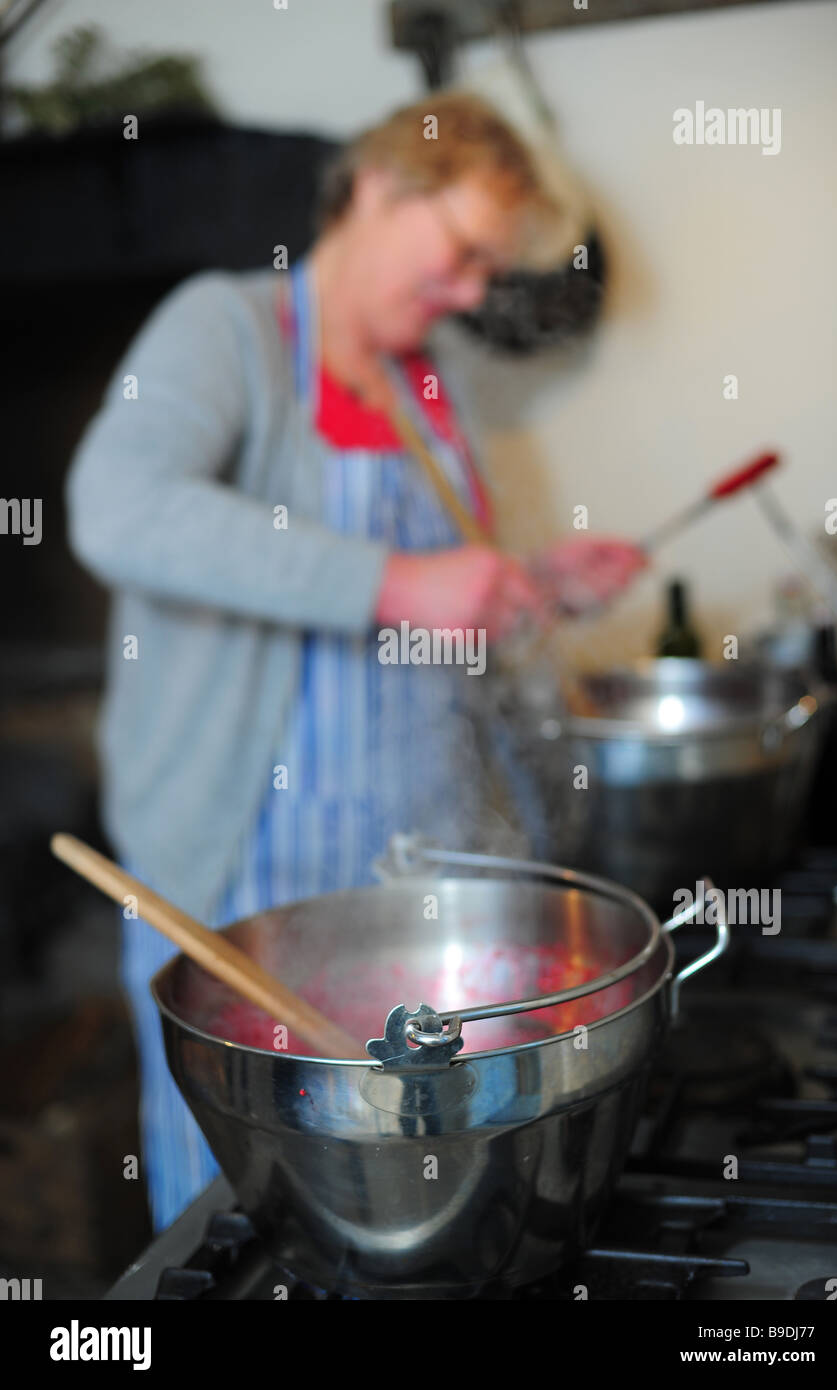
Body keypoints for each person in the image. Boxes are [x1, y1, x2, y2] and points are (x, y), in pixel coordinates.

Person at [66, 91, 646, 1232]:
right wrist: (393, 581)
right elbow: (115, 507)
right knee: (247, 1209)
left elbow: (438, 609)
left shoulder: (428, 379)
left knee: (407, 1208)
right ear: (380, 190)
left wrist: (527, 584)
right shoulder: (225, 327)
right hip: (247, 874)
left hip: (416, 872)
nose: (475, 292)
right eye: (465, 253)